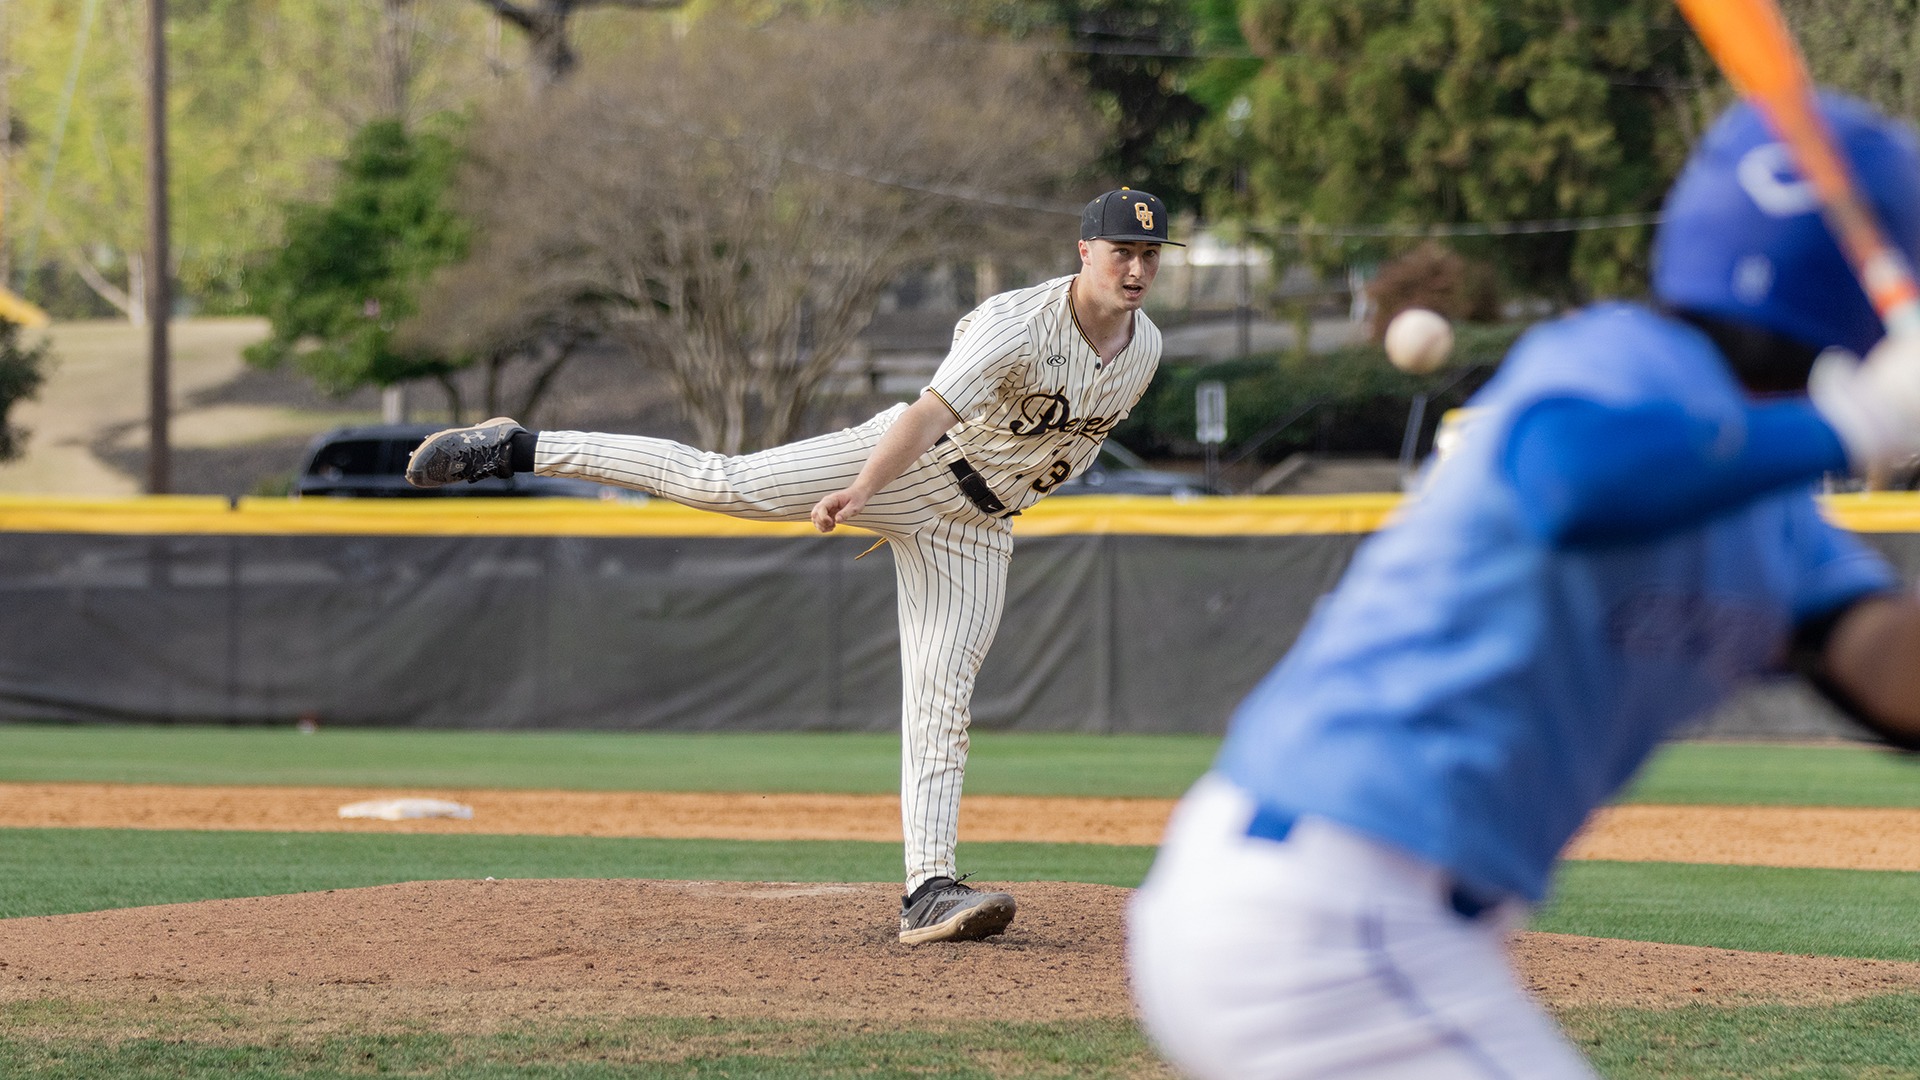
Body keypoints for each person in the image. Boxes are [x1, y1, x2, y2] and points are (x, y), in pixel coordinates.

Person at [1128, 92, 1920, 1078]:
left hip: (1361, 922)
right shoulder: (1623, 363)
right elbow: (1571, 480)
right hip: (1327, 910)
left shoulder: (1776, 510)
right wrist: (1861, 423)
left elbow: (1890, 676)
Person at [407, 188, 1181, 944]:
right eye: (1123, 252)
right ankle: (516, 447)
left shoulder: (1144, 347)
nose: (1137, 268)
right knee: (722, 481)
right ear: (1085, 252)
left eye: (1150, 254)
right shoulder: (1018, 325)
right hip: (907, 465)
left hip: (978, 530)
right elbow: (923, 416)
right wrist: (862, 488)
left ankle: (928, 889)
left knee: (942, 700)